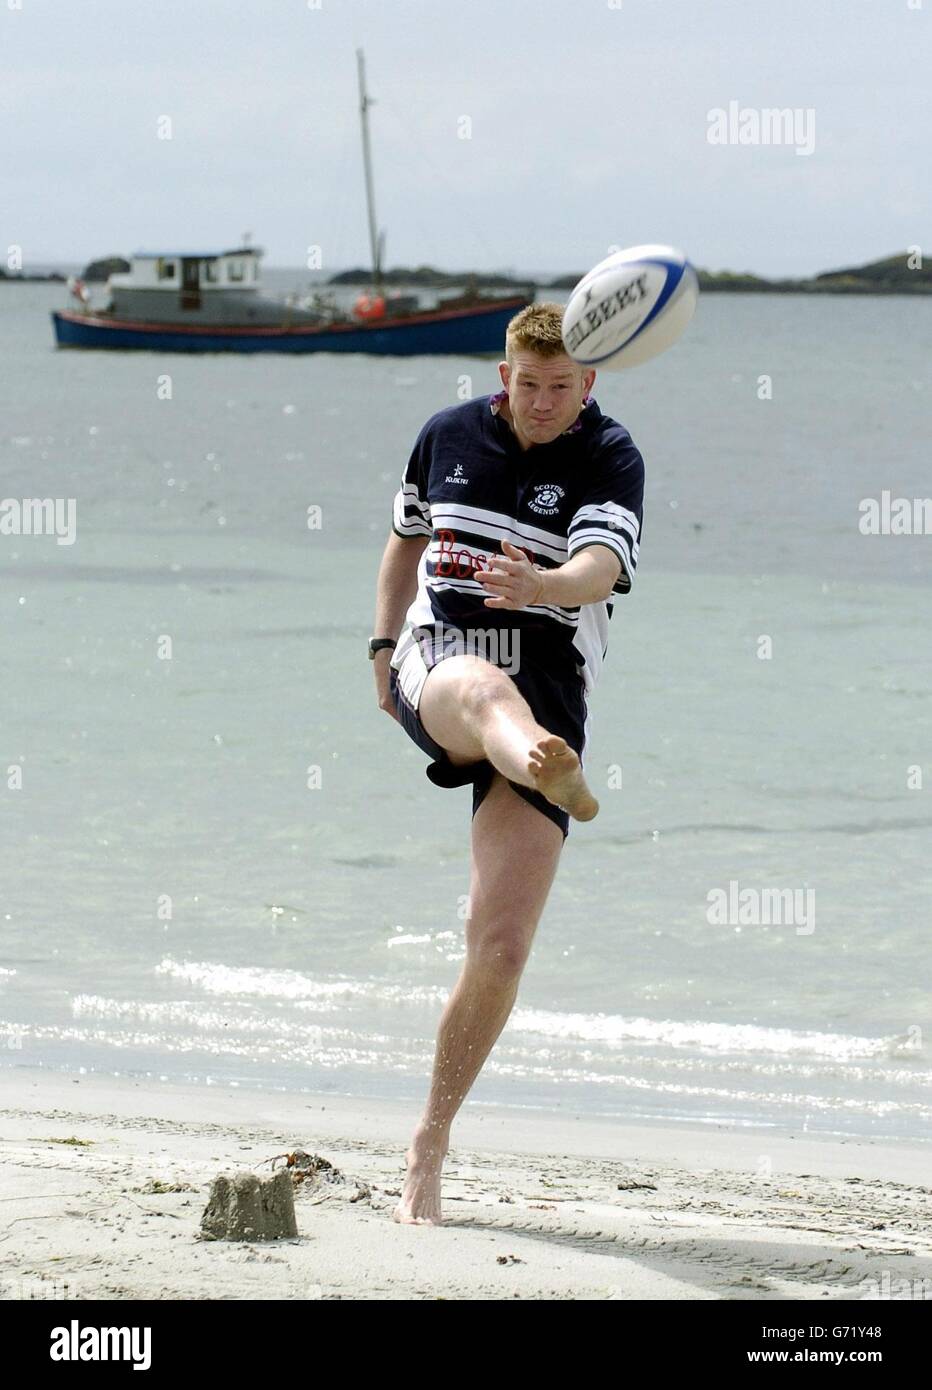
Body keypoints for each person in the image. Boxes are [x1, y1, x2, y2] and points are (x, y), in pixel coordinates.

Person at [370, 302, 644, 1223]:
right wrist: (379, 646)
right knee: (486, 691)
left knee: (500, 946)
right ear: (504, 377)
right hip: (440, 663)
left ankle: (430, 1140)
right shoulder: (445, 436)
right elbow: (405, 541)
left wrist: (543, 584)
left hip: (554, 690)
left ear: (589, 384)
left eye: (560, 388)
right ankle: (535, 758)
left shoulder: (609, 455)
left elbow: (600, 567)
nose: (541, 403)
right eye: (527, 385)